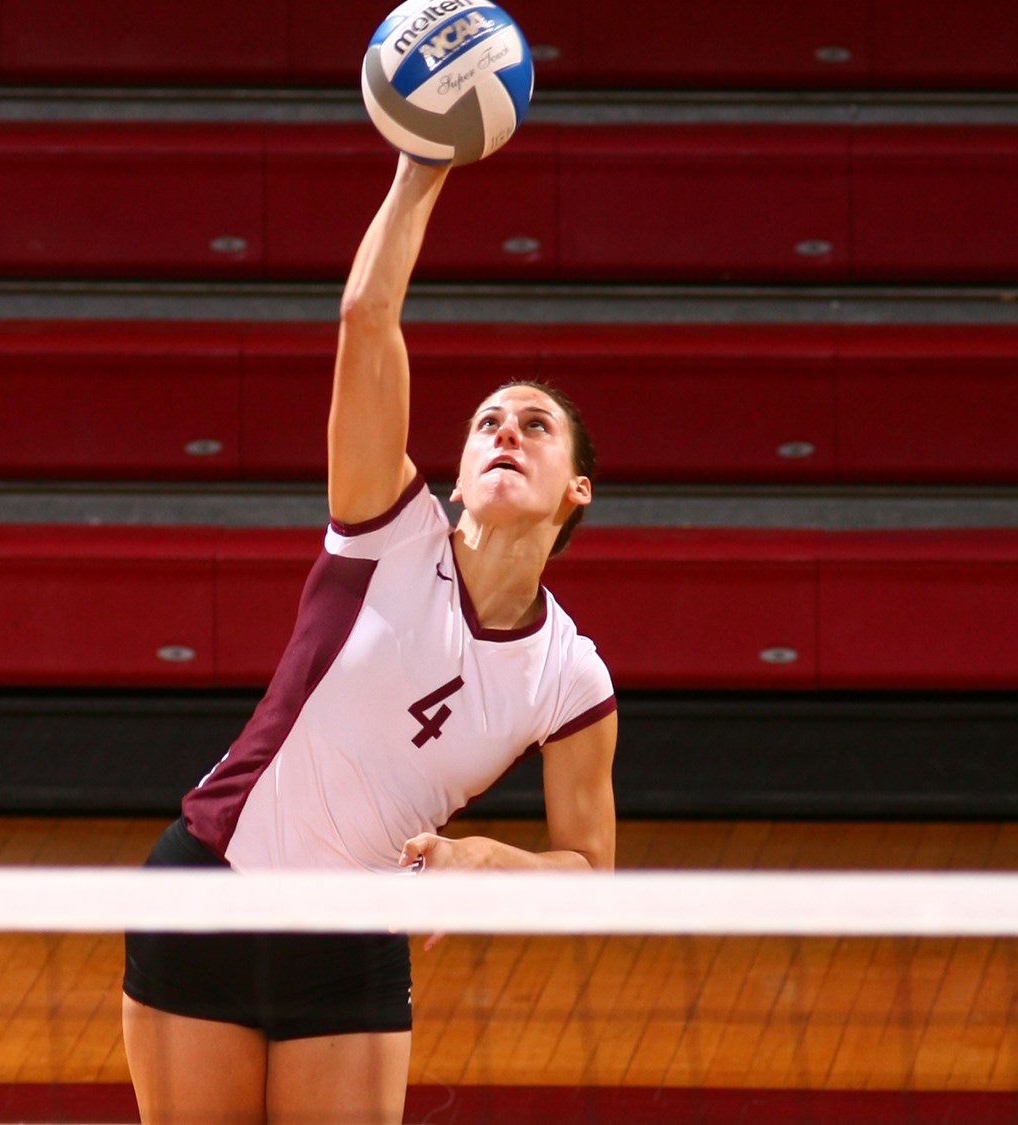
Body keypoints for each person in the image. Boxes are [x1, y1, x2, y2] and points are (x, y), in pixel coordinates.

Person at [120, 153, 619, 1125]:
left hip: (351, 943)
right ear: (460, 468)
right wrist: (418, 171)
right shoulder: (386, 532)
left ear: (575, 490)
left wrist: (486, 864)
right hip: (207, 899)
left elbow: (589, 876)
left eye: (533, 425)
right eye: (485, 424)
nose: (504, 433)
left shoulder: (570, 676)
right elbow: (364, 323)